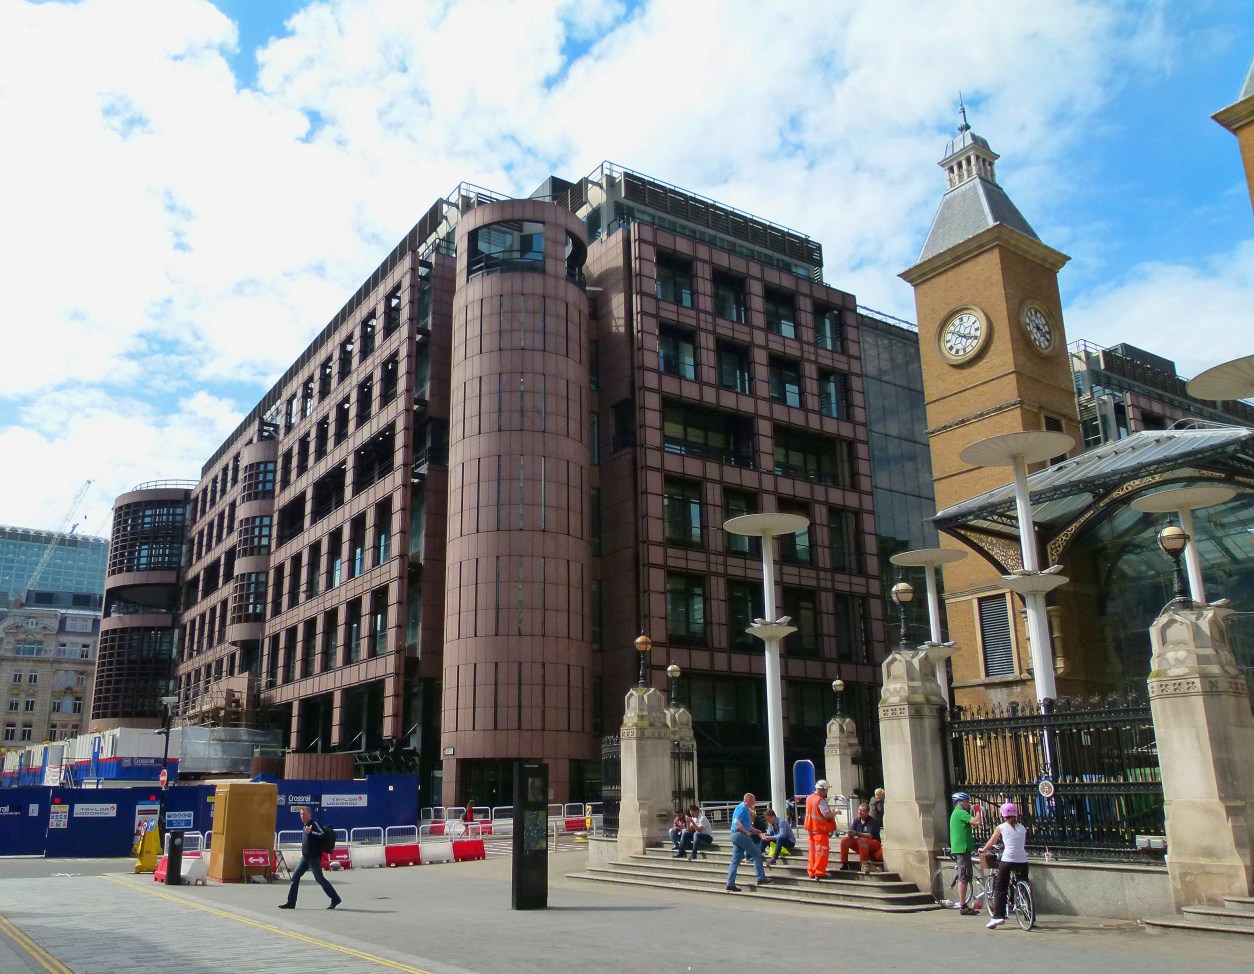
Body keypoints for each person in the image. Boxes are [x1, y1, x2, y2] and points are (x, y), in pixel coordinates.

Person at [279, 806, 341, 910]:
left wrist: (311, 832)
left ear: (309, 814)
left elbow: (323, 834)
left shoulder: (314, 823)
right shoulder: (305, 825)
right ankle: (291, 902)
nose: (302, 816)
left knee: (319, 879)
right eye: (300, 814)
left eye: (304, 814)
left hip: (314, 857)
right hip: (305, 857)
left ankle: (335, 898)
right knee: (295, 877)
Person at [980, 802, 1029, 930]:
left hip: (1008, 860)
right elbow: (1021, 844)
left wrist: (983, 850)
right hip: (1022, 860)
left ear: (1003, 815)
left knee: (1000, 887)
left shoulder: (1001, 827)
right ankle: (1029, 916)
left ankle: (998, 916)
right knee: (1024, 884)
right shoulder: (1023, 828)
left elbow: (992, 841)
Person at [726, 793, 773, 892]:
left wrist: (753, 830)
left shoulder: (744, 809)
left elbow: (744, 823)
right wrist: (745, 831)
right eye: (753, 800)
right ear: (747, 800)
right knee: (756, 854)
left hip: (735, 835)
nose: (754, 802)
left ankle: (730, 883)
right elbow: (736, 822)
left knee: (735, 860)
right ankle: (761, 878)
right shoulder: (742, 808)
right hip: (740, 834)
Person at [948, 792, 982, 917]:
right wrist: (978, 810)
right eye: (967, 802)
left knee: (966, 876)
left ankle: (964, 904)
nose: (968, 804)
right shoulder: (961, 813)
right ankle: (963, 905)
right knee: (963, 877)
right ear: (960, 802)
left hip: (963, 848)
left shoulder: (957, 813)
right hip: (962, 849)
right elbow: (977, 822)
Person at [803, 779, 837, 880]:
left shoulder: (809, 798)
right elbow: (826, 814)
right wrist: (836, 812)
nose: (826, 793)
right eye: (826, 790)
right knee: (821, 852)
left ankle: (811, 872)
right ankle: (819, 872)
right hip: (820, 829)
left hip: (811, 829)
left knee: (813, 852)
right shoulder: (820, 800)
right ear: (822, 790)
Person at [838, 803, 883, 870]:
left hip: (874, 845)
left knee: (862, 840)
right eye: (859, 810)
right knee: (844, 840)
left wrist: (856, 833)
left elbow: (870, 836)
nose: (859, 812)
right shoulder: (856, 821)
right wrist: (850, 834)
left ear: (867, 812)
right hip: (861, 845)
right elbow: (852, 835)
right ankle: (844, 863)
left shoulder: (872, 822)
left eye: (862, 811)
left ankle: (864, 864)